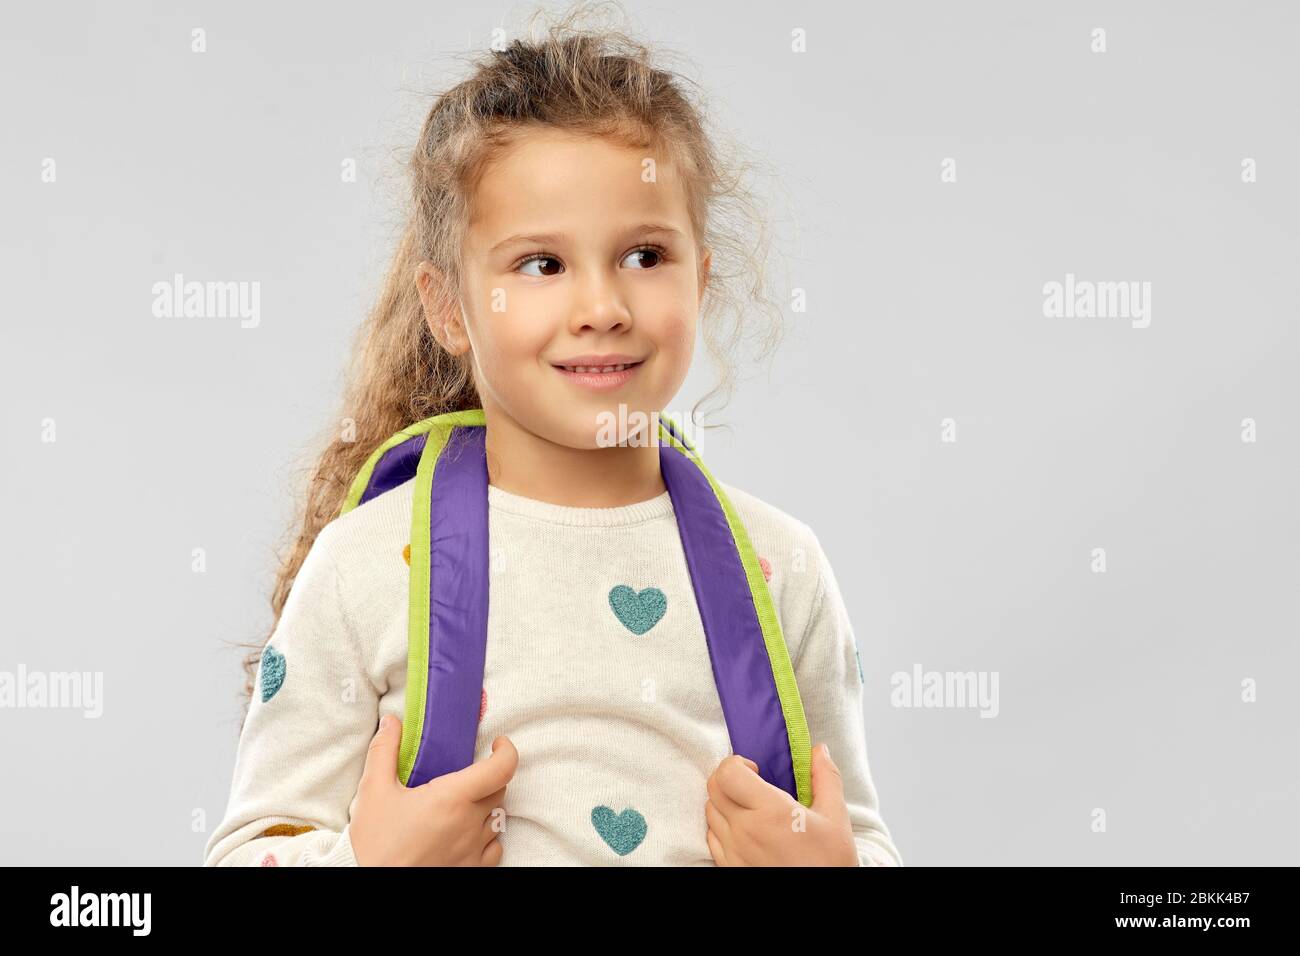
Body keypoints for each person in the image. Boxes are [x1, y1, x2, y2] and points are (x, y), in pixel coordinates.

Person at [204, 5, 902, 867]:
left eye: (645, 256)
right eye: (542, 265)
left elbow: (862, 836)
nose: (603, 308)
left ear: (702, 279)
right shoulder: (364, 569)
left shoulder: (782, 568)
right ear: (449, 307)